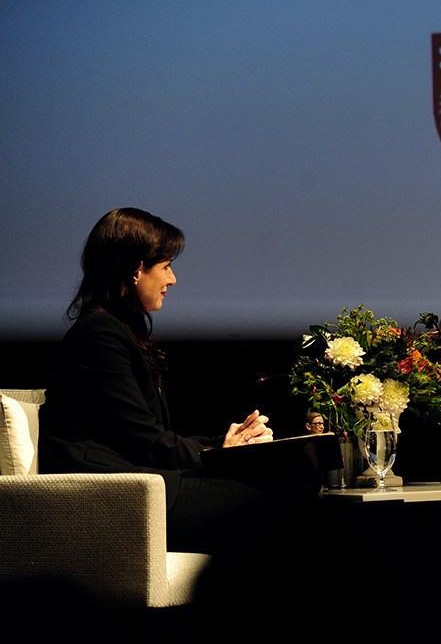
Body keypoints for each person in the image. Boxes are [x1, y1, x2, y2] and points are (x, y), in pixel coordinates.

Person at [39, 208, 278, 554]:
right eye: (166, 266)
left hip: (144, 483)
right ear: (136, 270)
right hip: (118, 494)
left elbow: (151, 436)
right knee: (279, 489)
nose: (173, 279)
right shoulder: (98, 334)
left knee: (283, 477)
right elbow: (144, 440)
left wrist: (230, 441)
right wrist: (221, 454)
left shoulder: (117, 331)